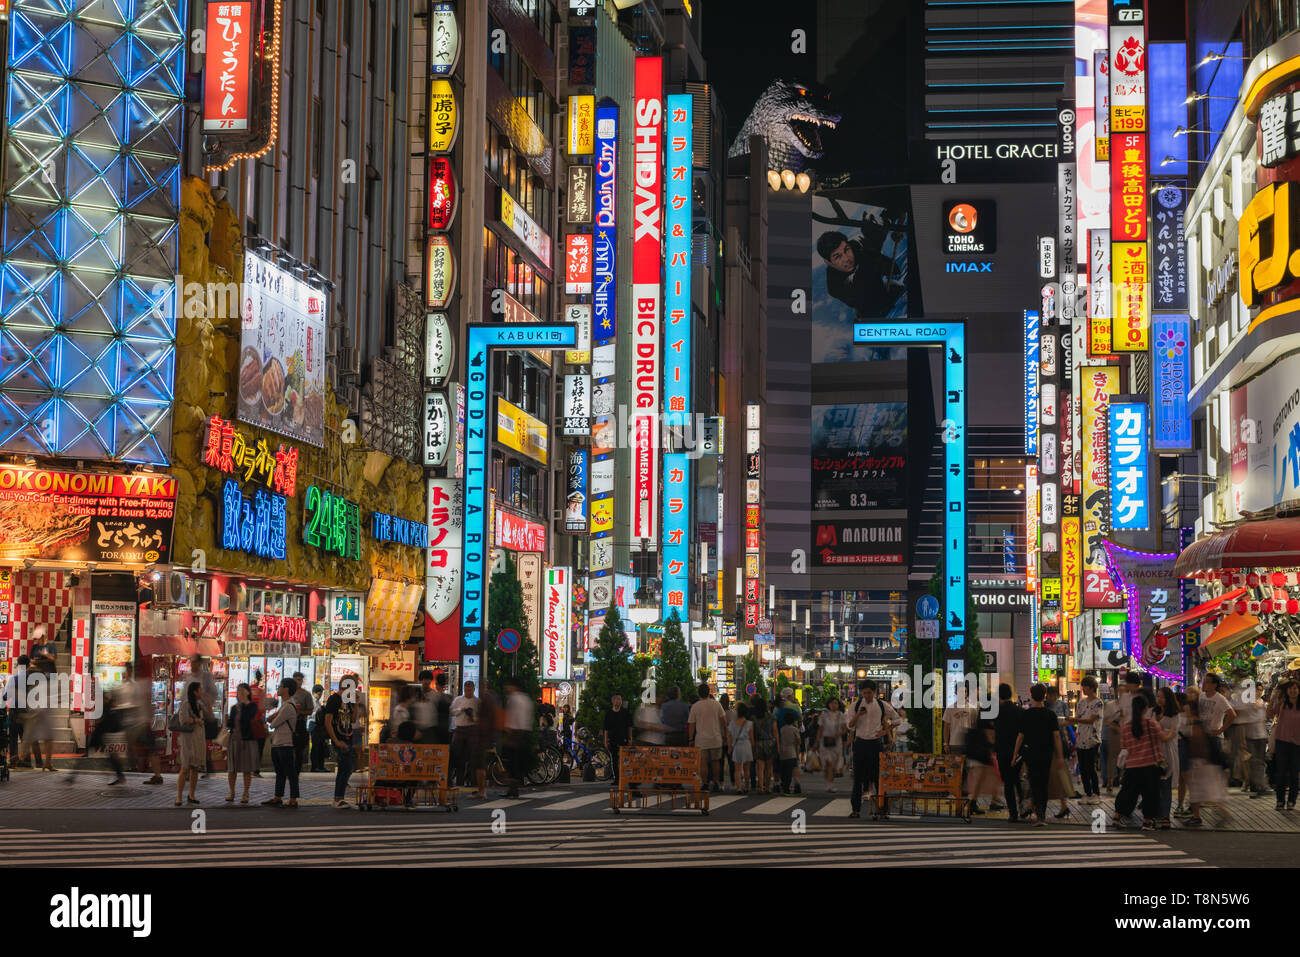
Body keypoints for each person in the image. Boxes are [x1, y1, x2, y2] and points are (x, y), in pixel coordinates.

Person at [815, 217, 906, 318]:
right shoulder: (835, 287)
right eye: (838, 256)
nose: (846, 258)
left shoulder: (856, 248)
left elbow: (892, 269)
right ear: (828, 262)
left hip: (888, 290)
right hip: (874, 312)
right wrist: (872, 253)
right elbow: (864, 295)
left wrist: (886, 219)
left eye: (846, 249)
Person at [1112, 693, 1172, 830]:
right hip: (1150, 765)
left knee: (1127, 793)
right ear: (1146, 708)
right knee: (1150, 794)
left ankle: (1116, 817)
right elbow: (1163, 738)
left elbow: (1124, 746)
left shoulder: (1126, 727)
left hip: (1132, 766)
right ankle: (1147, 822)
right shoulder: (1151, 723)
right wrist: (1172, 731)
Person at [1011, 684, 1063, 827]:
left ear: (1031, 695)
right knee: (1043, 783)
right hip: (1046, 753)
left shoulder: (1026, 714)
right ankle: (1042, 816)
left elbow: (1020, 737)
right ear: (1045, 695)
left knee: (1034, 782)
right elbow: (1056, 737)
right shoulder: (1050, 715)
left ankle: (1037, 814)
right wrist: (1059, 756)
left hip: (1030, 753)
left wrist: (1015, 754)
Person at [846, 679, 899, 819]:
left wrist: (885, 731)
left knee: (878, 778)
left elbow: (897, 719)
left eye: (869, 693)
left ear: (874, 692)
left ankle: (882, 809)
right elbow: (850, 726)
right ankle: (855, 809)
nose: (867, 696)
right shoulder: (855, 705)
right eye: (864, 693)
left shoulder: (882, 705)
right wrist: (858, 714)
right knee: (857, 778)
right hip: (860, 743)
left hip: (876, 744)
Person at [1183, 689, 1229, 827]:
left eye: (1186, 710)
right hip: (1204, 762)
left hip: (1201, 762)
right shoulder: (1198, 724)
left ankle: (1202, 816)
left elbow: (1197, 745)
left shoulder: (1195, 726)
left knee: (1200, 792)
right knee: (1204, 792)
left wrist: (1194, 761)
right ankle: (1201, 815)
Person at [324, 675, 360, 809]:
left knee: (348, 767)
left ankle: (339, 798)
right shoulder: (334, 699)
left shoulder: (348, 701)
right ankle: (338, 798)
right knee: (345, 766)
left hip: (348, 737)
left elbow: (353, 719)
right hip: (339, 738)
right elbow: (327, 721)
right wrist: (335, 740)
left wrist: (355, 705)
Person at [1066, 676, 1103, 804]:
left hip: (1092, 739)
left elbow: (1091, 720)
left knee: (1090, 767)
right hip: (1081, 737)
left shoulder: (1098, 702)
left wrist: (1074, 720)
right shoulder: (1081, 702)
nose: (1083, 689)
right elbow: (1077, 718)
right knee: (1083, 767)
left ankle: (1096, 793)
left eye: (1085, 686)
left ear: (1092, 687)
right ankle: (1087, 793)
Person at [264, 678, 300, 807]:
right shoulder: (284, 705)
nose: (278, 688)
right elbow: (270, 719)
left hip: (286, 744)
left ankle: (293, 798)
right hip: (278, 743)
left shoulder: (288, 706)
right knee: (280, 772)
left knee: (290, 772)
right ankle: (278, 796)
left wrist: (272, 718)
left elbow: (273, 723)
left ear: (286, 689)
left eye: (280, 686)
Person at [1266, 678, 1300, 811]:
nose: (1293, 691)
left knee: (1294, 773)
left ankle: (1291, 801)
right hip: (1281, 742)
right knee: (1280, 773)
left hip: (1297, 744)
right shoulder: (1282, 703)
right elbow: (1269, 714)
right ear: (1287, 691)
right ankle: (1280, 800)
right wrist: (1273, 697)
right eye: (1291, 688)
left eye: (1295, 688)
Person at [688, 683, 728, 792]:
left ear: (699, 693)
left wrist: (691, 739)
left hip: (701, 740)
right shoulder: (716, 704)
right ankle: (716, 783)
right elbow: (724, 722)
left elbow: (691, 724)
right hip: (716, 738)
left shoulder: (695, 706)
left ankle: (704, 783)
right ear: (709, 692)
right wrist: (725, 734)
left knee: (703, 762)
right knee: (716, 762)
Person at [992, 683, 1023, 821]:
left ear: (999, 695)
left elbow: (994, 731)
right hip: (1017, 751)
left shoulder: (996, 711)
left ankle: (1013, 813)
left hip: (1002, 750)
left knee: (1008, 783)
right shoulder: (1019, 710)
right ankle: (1024, 807)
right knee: (1017, 779)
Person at [224, 683, 260, 804]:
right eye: (238, 690)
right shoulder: (234, 708)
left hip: (247, 739)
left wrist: (242, 706)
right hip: (234, 739)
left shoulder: (252, 706)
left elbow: (248, 718)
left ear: (248, 692)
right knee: (232, 768)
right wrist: (227, 721)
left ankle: (245, 793)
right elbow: (231, 724)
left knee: (246, 768)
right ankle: (231, 792)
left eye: (242, 690)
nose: (239, 692)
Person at [173, 681, 206, 806]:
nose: (202, 691)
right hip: (188, 741)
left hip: (198, 740)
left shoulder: (199, 704)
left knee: (195, 768)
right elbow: (183, 720)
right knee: (185, 768)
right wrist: (196, 720)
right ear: (195, 691)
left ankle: (191, 794)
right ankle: (179, 796)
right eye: (200, 689)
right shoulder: (186, 704)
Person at [1235, 681, 1269, 797]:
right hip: (1251, 736)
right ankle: (1255, 786)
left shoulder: (1263, 703)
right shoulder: (1247, 703)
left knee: (1260, 762)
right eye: (1256, 689)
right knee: (1253, 762)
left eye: (1260, 690)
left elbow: (1265, 719)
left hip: (1262, 736)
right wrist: (1243, 738)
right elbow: (1243, 722)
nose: (1258, 692)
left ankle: (1260, 786)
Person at [450, 680, 484, 797]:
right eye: (466, 690)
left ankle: (473, 781)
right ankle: (459, 781)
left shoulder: (477, 701)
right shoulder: (458, 700)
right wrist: (461, 710)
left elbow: (480, 717)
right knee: (457, 756)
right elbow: (451, 712)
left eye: (470, 690)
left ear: (474, 689)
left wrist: (472, 715)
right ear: (464, 689)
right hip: (459, 729)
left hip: (472, 729)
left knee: (472, 756)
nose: (468, 691)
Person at [1154, 687, 1181, 829]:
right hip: (1155, 752)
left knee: (1165, 786)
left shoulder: (1175, 715)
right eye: (1158, 696)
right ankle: (1157, 814)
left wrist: (1159, 730)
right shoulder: (1155, 712)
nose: (1159, 699)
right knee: (1156, 785)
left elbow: (1170, 734)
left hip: (1168, 752)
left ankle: (1165, 816)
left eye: (1162, 697)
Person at [502, 677, 533, 799]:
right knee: (516, 762)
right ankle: (513, 788)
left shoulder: (514, 699)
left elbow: (514, 717)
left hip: (515, 732)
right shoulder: (526, 699)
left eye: (509, 685)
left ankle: (513, 788)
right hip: (524, 732)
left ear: (514, 686)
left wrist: (510, 732)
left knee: (511, 761)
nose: (507, 688)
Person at [191, 655, 218, 777]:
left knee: (200, 740)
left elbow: (214, 693)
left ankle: (203, 765)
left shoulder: (206, 677)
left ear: (199, 663)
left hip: (203, 713)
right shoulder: (190, 677)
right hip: (191, 713)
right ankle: (199, 765)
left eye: (194, 662)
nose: (192, 665)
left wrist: (207, 702)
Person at [774, 688, 803, 794]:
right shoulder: (795, 706)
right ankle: (797, 784)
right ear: (790, 696)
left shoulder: (777, 708)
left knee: (778, 764)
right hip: (793, 739)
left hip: (779, 738)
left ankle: (777, 784)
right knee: (794, 764)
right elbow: (800, 722)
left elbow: (774, 722)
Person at [603, 693, 633, 784]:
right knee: (614, 760)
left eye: (619, 699)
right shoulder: (608, 713)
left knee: (625, 759)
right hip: (612, 739)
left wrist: (630, 738)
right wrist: (605, 741)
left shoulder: (625, 712)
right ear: (612, 701)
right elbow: (606, 729)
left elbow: (629, 726)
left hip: (623, 738)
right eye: (616, 699)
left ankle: (625, 777)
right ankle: (617, 778)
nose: (618, 701)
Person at [818, 698, 847, 791]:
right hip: (825, 742)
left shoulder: (841, 715)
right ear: (828, 704)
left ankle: (830, 782)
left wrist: (837, 735)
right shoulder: (824, 714)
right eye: (832, 703)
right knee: (827, 763)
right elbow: (820, 729)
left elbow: (845, 729)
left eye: (835, 703)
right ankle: (829, 783)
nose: (833, 705)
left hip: (836, 742)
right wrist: (816, 742)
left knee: (834, 764)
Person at [750, 695, 777, 794]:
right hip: (769, 743)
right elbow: (775, 731)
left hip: (758, 743)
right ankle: (768, 788)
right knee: (769, 767)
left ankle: (761, 788)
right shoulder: (771, 717)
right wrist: (777, 744)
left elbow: (751, 733)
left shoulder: (753, 718)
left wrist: (753, 745)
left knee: (760, 768)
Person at [289, 672, 314, 771]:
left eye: (299, 680)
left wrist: (300, 711)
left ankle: (297, 771)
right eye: (295, 680)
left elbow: (310, 711)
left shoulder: (306, 694)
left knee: (299, 750)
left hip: (300, 724)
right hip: (289, 724)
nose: (297, 682)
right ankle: (289, 770)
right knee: (289, 749)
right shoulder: (288, 693)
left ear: (302, 681)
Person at [727, 703, 754, 794]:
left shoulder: (732, 723)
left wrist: (729, 747)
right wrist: (753, 748)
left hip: (737, 746)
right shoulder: (749, 723)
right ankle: (746, 787)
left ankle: (738, 788)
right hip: (747, 745)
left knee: (737, 769)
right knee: (747, 768)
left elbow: (729, 736)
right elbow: (751, 738)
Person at [248, 668, 267, 776]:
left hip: (249, 724)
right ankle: (256, 769)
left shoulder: (249, 690)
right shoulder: (261, 692)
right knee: (259, 748)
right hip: (258, 723)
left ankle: (249, 768)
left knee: (250, 747)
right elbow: (263, 708)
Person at [777, 711, 800, 794]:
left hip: (783, 752)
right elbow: (798, 741)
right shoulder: (795, 729)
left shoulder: (782, 729)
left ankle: (784, 786)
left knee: (784, 771)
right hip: (792, 752)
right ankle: (790, 787)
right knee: (790, 771)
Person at [308, 684, 329, 772]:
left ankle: (321, 766)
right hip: (313, 724)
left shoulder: (318, 702)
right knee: (315, 746)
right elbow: (310, 714)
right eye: (319, 694)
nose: (320, 696)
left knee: (321, 746)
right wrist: (318, 712)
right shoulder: (311, 701)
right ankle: (315, 767)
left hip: (319, 726)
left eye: (321, 694)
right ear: (314, 693)